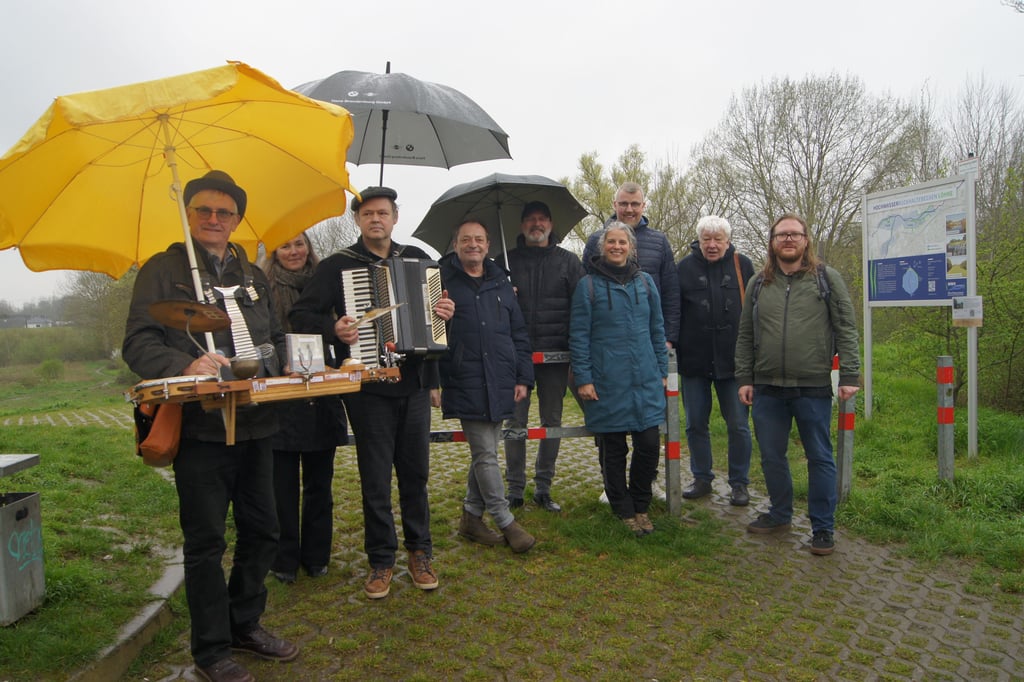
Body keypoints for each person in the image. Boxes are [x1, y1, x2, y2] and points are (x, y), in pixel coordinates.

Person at [123, 170, 298, 682]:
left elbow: (273, 337)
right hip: (201, 428)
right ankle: (210, 650)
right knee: (205, 542)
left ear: (237, 219)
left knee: (263, 530)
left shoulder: (254, 273)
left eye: (224, 212)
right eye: (204, 210)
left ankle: (245, 623)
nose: (214, 219)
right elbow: (137, 343)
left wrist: (292, 359)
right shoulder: (162, 270)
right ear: (189, 214)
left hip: (258, 421)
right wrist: (184, 363)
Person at [290, 186, 454, 599]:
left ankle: (421, 553)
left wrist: (445, 313)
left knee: (415, 475)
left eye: (382, 213)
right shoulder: (336, 267)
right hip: (366, 388)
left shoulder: (418, 260)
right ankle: (382, 561)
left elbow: (438, 321)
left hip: (413, 385)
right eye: (367, 214)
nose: (375, 220)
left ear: (395, 217)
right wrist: (335, 328)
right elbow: (301, 314)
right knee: (375, 479)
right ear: (358, 221)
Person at [735, 213, 860, 556]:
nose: (788, 240)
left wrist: (850, 375)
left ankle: (822, 528)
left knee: (819, 457)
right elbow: (746, 333)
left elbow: (846, 327)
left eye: (795, 235)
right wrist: (745, 377)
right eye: (781, 235)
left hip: (812, 386)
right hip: (768, 387)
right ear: (772, 242)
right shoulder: (760, 283)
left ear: (806, 240)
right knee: (772, 456)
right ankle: (780, 514)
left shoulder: (826, 279)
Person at [438, 220, 537, 553]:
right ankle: (506, 522)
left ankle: (470, 516)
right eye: (465, 239)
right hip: (464, 376)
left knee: (485, 453)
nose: (473, 244)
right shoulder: (440, 282)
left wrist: (523, 376)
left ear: (488, 244)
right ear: (455, 244)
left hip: (501, 376)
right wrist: (434, 380)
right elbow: (430, 336)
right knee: (485, 453)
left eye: (479, 239)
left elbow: (519, 334)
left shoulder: (501, 283)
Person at [258, 232, 347, 584]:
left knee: (319, 485)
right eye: (286, 244)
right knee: (281, 486)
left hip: (321, 393)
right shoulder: (262, 287)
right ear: (274, 251)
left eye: (299, 244)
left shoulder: (326, 281)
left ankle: (317, 556)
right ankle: (283, 559)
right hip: (282, 394)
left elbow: (343, 331)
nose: (294, 251)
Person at [582, 182, 679, 503]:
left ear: (643, 205)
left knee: (648, 434)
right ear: (615, 204)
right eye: (624, 203)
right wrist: (586, 374)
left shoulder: (659, 245)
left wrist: (665, 346)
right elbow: (584, 314)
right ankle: (614, 491)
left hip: (644, 357)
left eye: (635, 204)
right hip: (609, 363)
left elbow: (670, 296)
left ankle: (646, 486)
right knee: (611, 436)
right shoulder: (594, 247)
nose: (629, 209)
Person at [570, 222, 668, 537]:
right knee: (613, 449)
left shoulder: (647, 283)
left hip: (644, 380)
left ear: (631, 247)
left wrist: (662, 371)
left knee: (649, 444)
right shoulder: (587, 287)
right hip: (606, 380)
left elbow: (657, 329)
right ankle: (622, 507)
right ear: (602, 248)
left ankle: (641, 503)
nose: (616, 246)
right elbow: (579, 337)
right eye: (610, 242)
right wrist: (584, 378)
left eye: (622, 242)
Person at [503, 201, 585, 513]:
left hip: (555, 355)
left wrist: (576, 351)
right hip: (516, 354)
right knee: (515, 422)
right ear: (522, 225)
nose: (536, 224)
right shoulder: (504, 262)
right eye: (530, 219)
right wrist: (503, 291)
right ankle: (514, 489)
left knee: (552, 421)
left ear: (551, 224)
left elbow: (581, 307)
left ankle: (544, 487)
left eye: (542, 219)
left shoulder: (569, 261)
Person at [677, 216, 755, 506]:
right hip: (694, 361)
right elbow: (675, 311)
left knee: (738, 425)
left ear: (727, 241)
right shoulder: (683, 268)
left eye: (717, 239)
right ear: (698, 240)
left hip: (734, 363)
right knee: (696, 423)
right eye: (706, 239)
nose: (711, 245)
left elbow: (755, 311)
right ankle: (702, 477)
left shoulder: (742, 265)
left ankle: (739, 483)